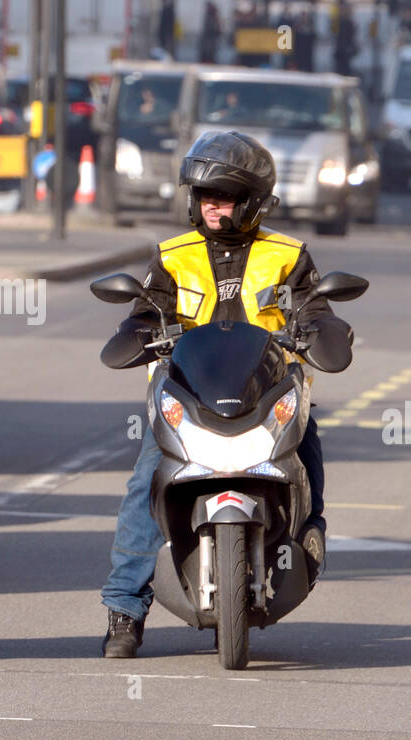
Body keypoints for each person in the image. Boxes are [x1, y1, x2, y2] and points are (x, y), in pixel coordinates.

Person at [99, 132, 352, 659]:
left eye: (226, 198)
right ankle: (125, 609)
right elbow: (144, 312)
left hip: (269, 392)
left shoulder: (288, 256)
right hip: (188, 398)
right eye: (205, 196)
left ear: (254, 201)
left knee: (310, 455)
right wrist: (136, 330)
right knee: (145, 482)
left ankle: (310, 533)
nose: (214, 207)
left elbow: (315, 309)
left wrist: (324, 329)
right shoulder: (171, 257)